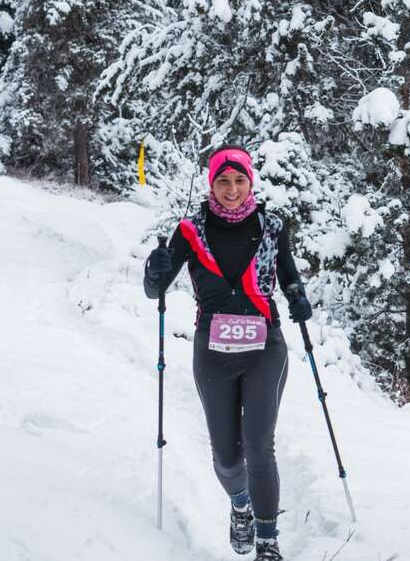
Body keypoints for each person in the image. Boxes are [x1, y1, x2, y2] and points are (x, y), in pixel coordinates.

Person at [144, 144, 312, 561]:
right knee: (226, 455)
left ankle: (268, 541)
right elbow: (155, 290)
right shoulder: (190, 231)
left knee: (259, 446)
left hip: (264, 347)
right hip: (213, 350)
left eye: (239, 180)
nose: (232, 189)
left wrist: (297, 298)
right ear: (212, 183)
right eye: (223, 181)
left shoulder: (273, 226)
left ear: (250, 182)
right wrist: (154, 270)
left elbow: (289, 275)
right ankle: (241, 506)